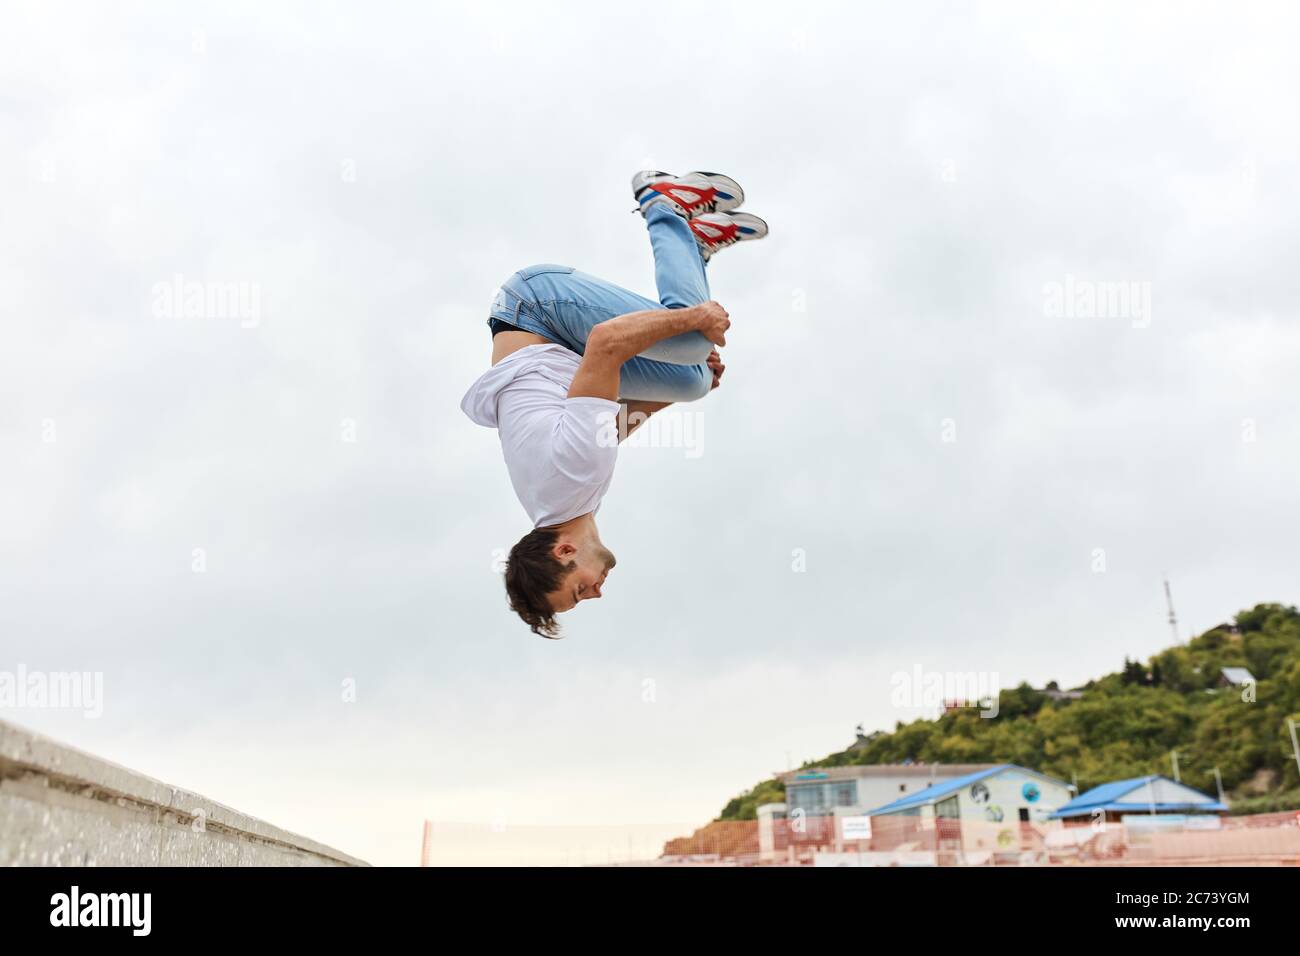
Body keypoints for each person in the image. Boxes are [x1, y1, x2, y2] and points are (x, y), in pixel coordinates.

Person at [460, 171, 768, 637]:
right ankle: (693, 247)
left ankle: (663, 205)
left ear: (564, 553)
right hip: (554, 342)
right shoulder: (560, 505)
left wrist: (695, 318)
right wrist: (672, 395)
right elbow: (607, 427)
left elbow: (605, 343)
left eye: (580, 591)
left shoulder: (574, 478)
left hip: (537, 307)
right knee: (693, 380)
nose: (598, 592)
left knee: (689, 342)